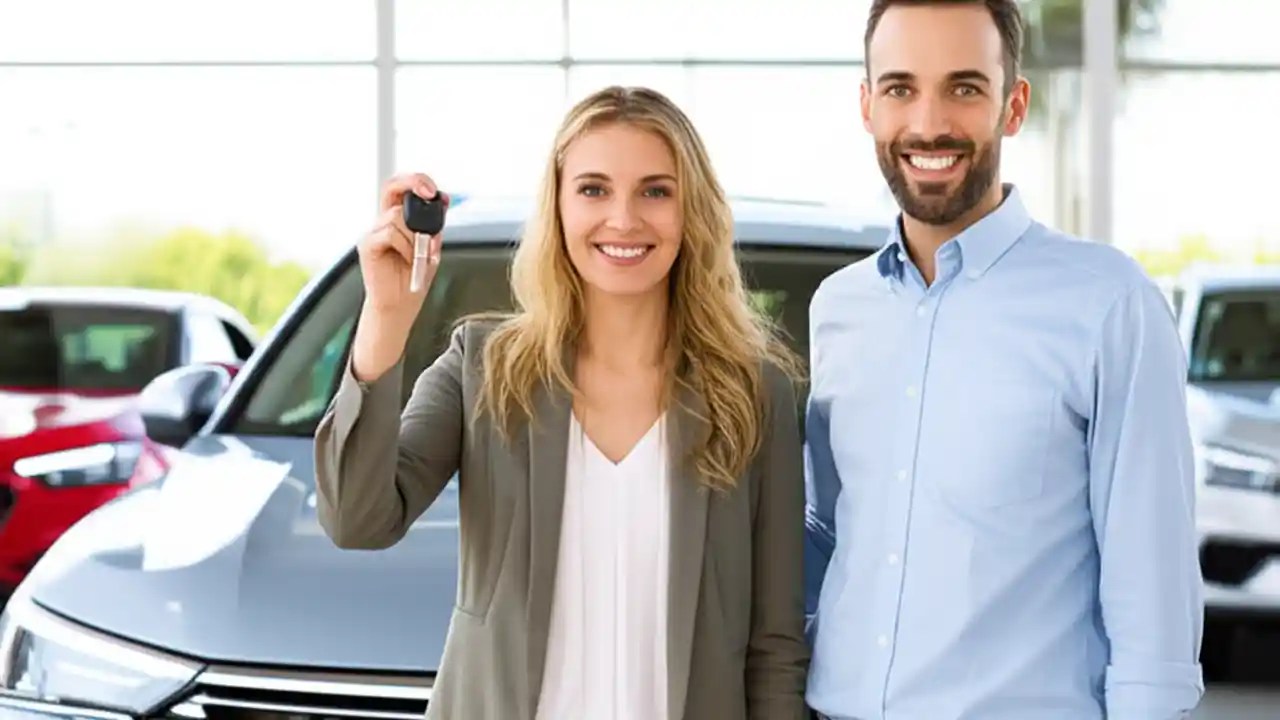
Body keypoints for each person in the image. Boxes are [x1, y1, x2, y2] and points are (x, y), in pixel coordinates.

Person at [313, 85, 810, 720]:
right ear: (558, 205)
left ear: (693, 211)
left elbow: (774, 648)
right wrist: (386, 316)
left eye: (655, 190)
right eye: (594, 189)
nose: (624, 219)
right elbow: (356, 519)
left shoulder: (754, 393)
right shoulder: (484, 367)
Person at [802, 2, 1204, 719]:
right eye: (899, 87)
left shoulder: (1109, 304)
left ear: (1013, 105)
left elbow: (1154, 589)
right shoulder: (840, 309)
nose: (928, 123)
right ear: (866, 106)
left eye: (964, 87)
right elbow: (828, 535)